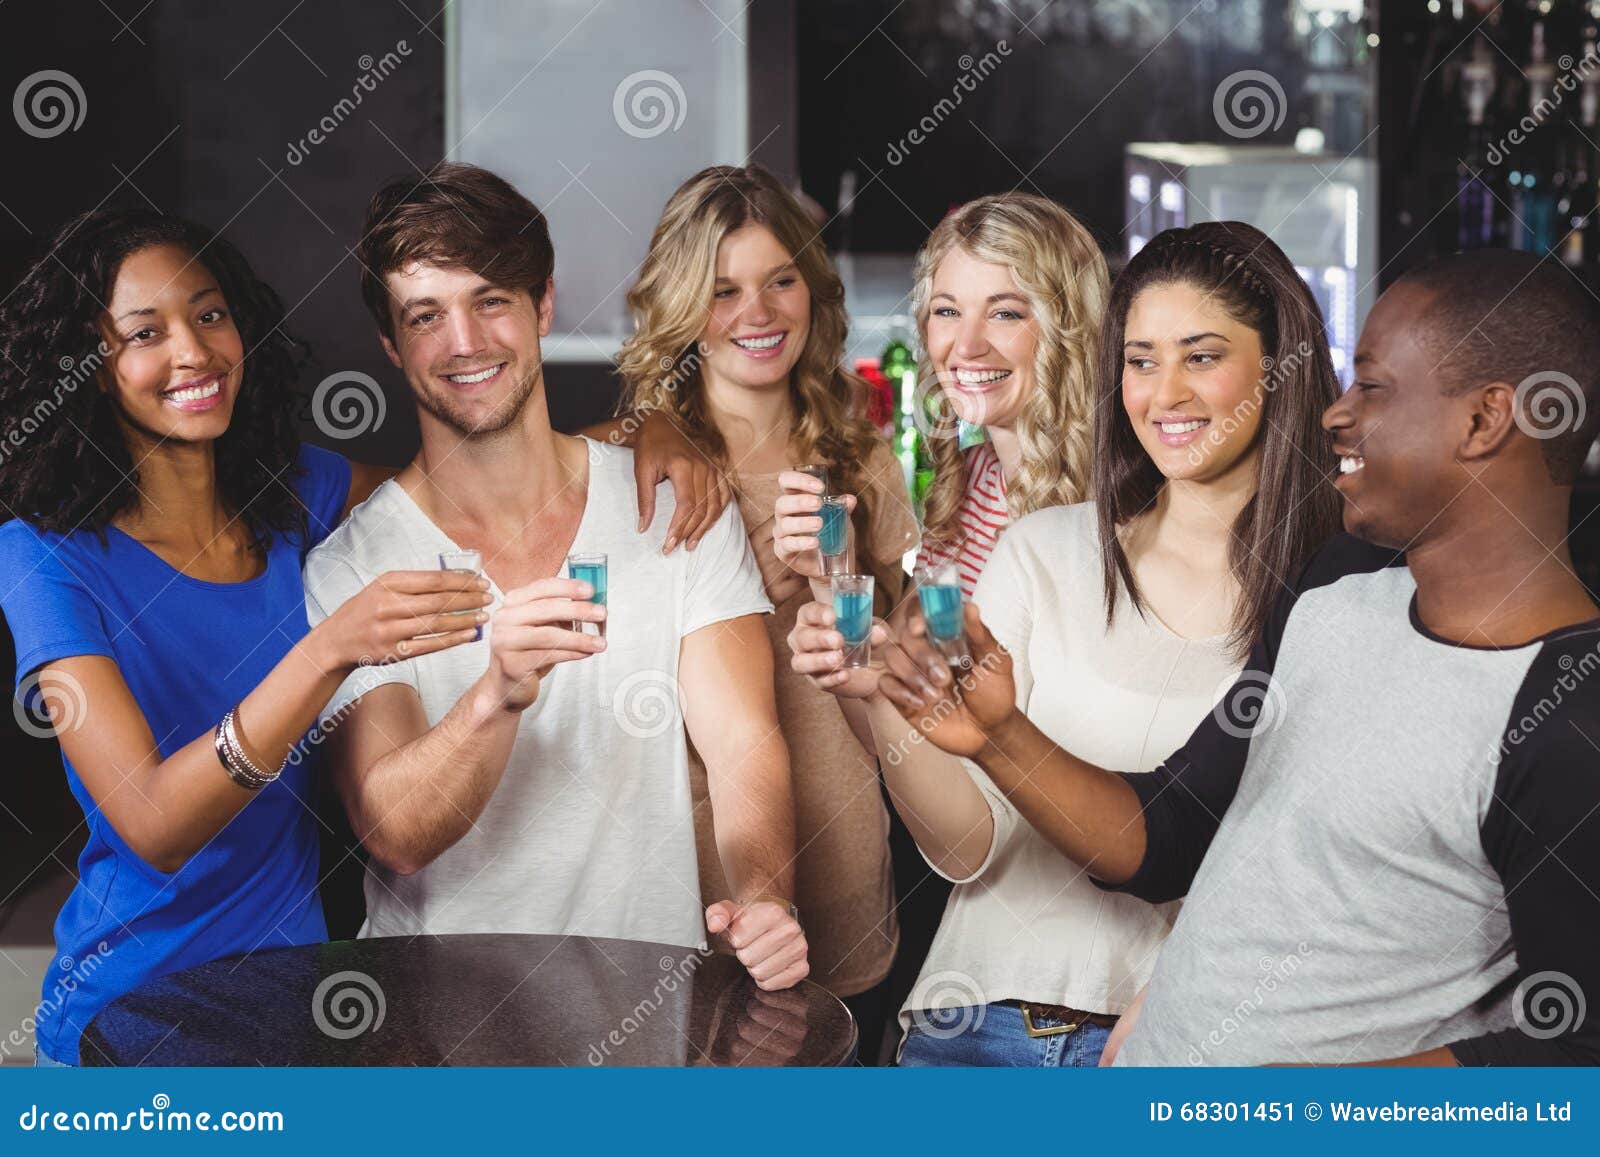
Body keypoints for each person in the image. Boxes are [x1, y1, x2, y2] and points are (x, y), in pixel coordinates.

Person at [881, 248, 1600, 1066]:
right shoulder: (1333, 593)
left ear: (1485, 420)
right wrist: (997, 733)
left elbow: (1577, 1054)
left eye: (1372, 387)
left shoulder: (1571, 718)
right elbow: (1167, 835)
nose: (1335, 413)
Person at [795, 214, 1334, 1068]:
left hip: (1175, 1040)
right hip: (973, 1026)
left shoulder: (1340, 592)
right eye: (1142, 361)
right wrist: (878, 691)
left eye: (1201, 357)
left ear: (1281, 369)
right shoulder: (1041, 551)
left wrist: (1194, 994)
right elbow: (969, 845)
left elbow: (1324, 866)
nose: (1166, 393)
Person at [303, 163, 808, 990]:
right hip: (435, 1030)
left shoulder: (674, 504)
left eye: (490, 300)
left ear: (542, 304)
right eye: (426, 316)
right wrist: (497, 694)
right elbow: (396, 831)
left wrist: (764, 896)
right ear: (391, 345)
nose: (464, 342)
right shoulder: (350, 566)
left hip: (646, 1018)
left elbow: (744, 746)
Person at [615, 164, 916, 1050]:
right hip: (691, 888)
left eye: (781, 279)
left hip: (846, 864)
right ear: (682, 305)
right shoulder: (638, 467)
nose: (759, 311)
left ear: (813, 289)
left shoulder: (860, 459)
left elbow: (901, 712)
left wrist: (839, 577)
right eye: (723, 290)